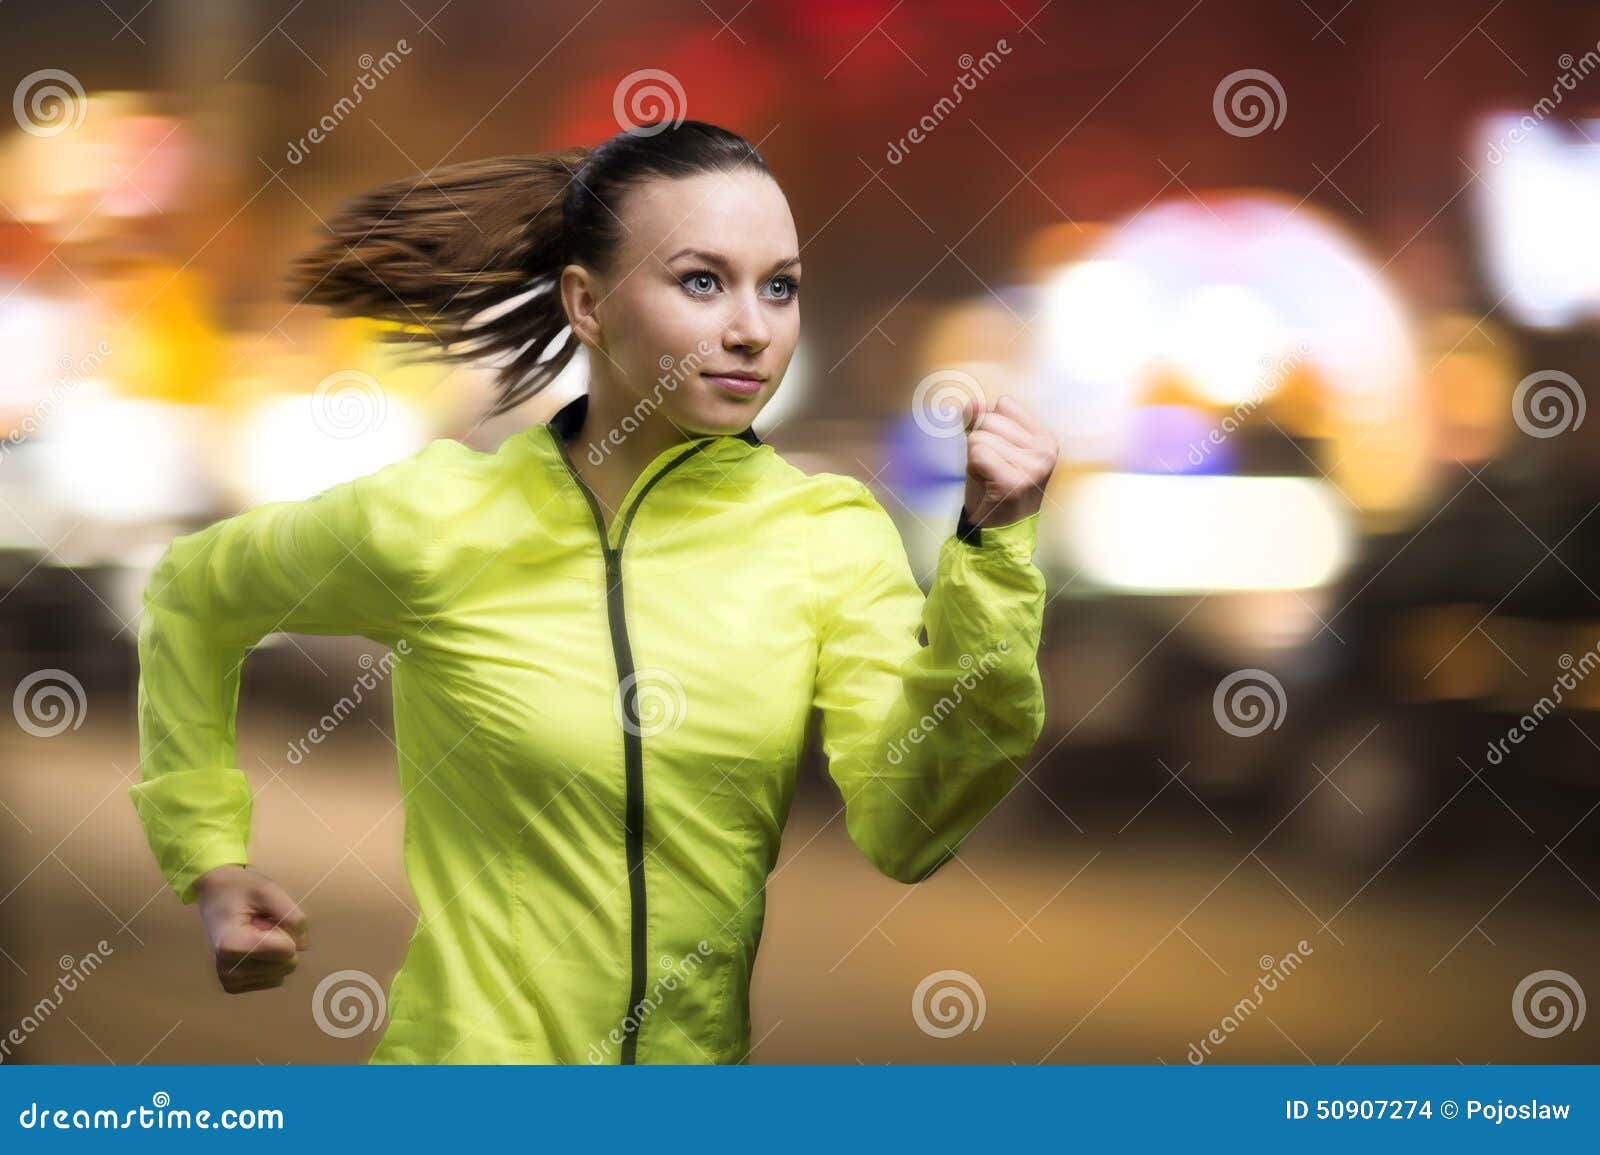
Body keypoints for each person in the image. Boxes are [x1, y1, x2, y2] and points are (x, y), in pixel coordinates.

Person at [128, 120, 1057, 1063]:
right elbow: (190, 595)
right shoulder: (438, 516)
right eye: (702, 281)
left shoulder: (827, 535)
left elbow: (909, 828)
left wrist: (991, 551)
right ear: (588, 302)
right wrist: (210, 854)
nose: (752, 326)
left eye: (779, 285)